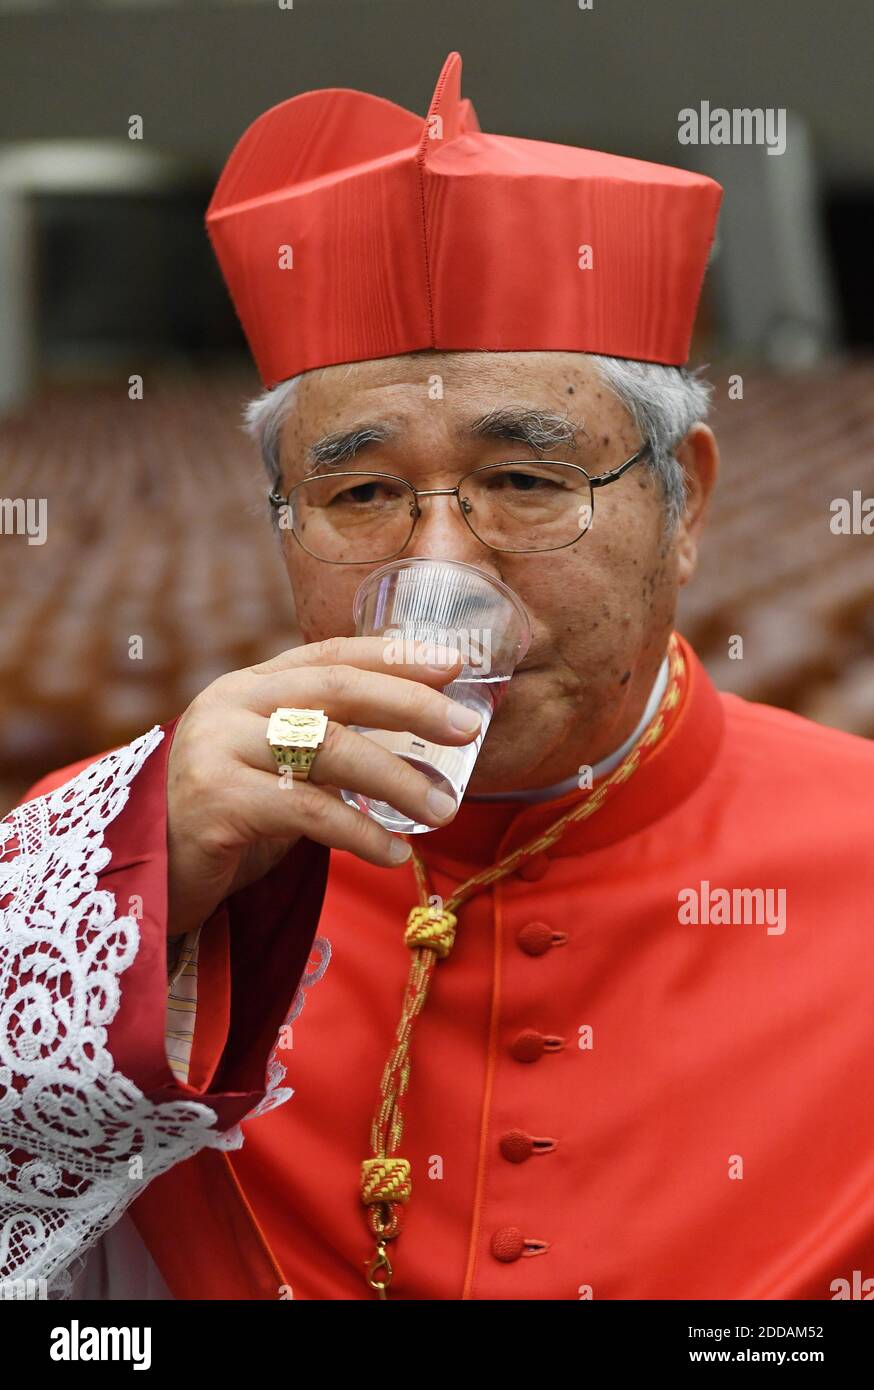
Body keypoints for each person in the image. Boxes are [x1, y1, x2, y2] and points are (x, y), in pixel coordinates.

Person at [3, 52, 872, 1302]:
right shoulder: (99, 871)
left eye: (525, 481)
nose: (443, 577)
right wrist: (136, 915)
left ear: (684, 504)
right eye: (360, 494)